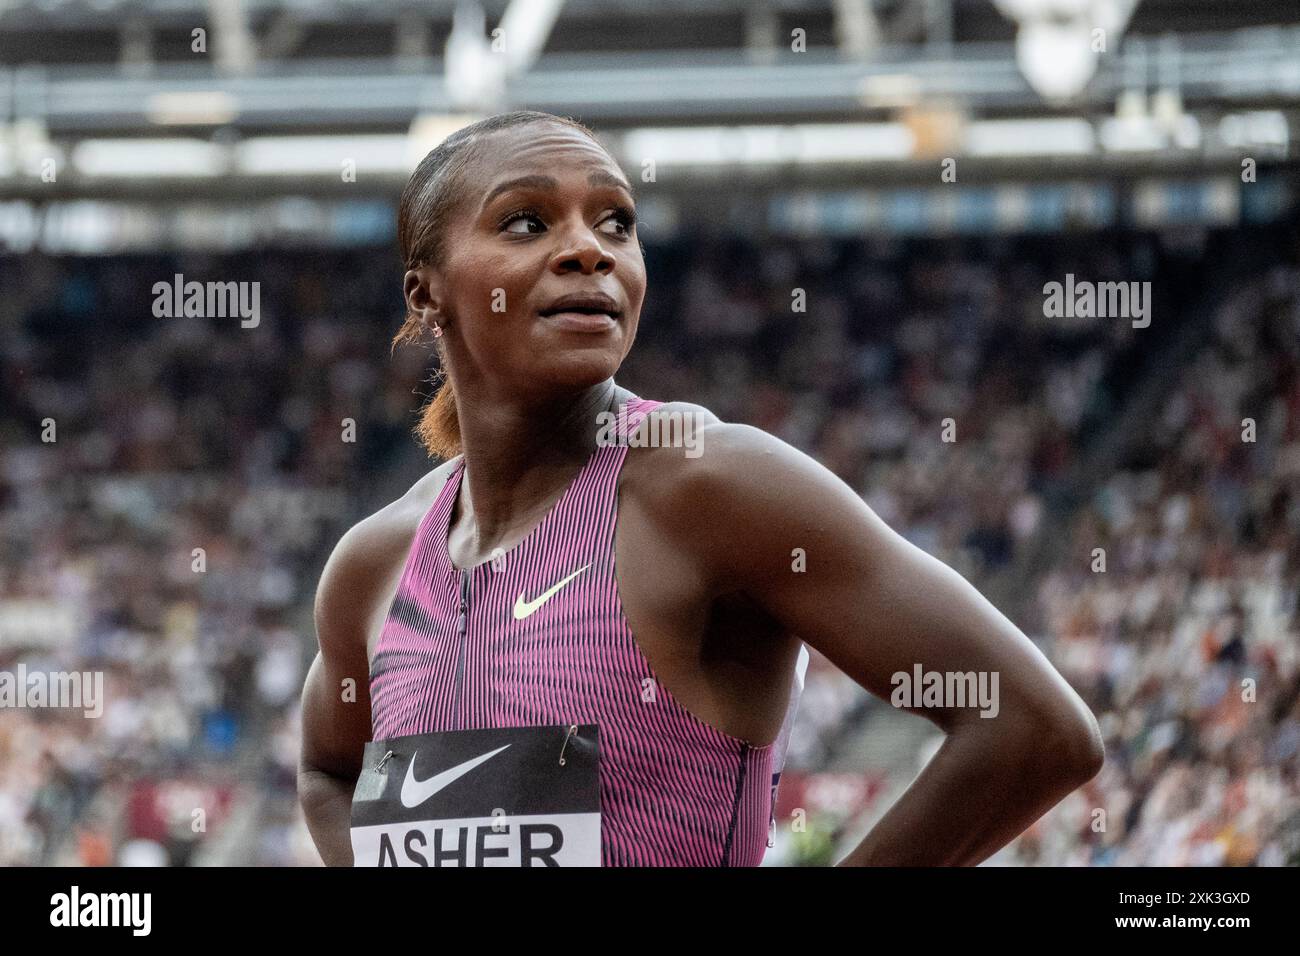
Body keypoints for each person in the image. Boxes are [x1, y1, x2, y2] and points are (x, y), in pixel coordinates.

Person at [297, 110, 1104, 867]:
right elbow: (326, 771)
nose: (591, 249)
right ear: (424, 292)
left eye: (617, 222)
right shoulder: (377, 561)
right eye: (527, 221)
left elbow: (1033, 728)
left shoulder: (710, 486)